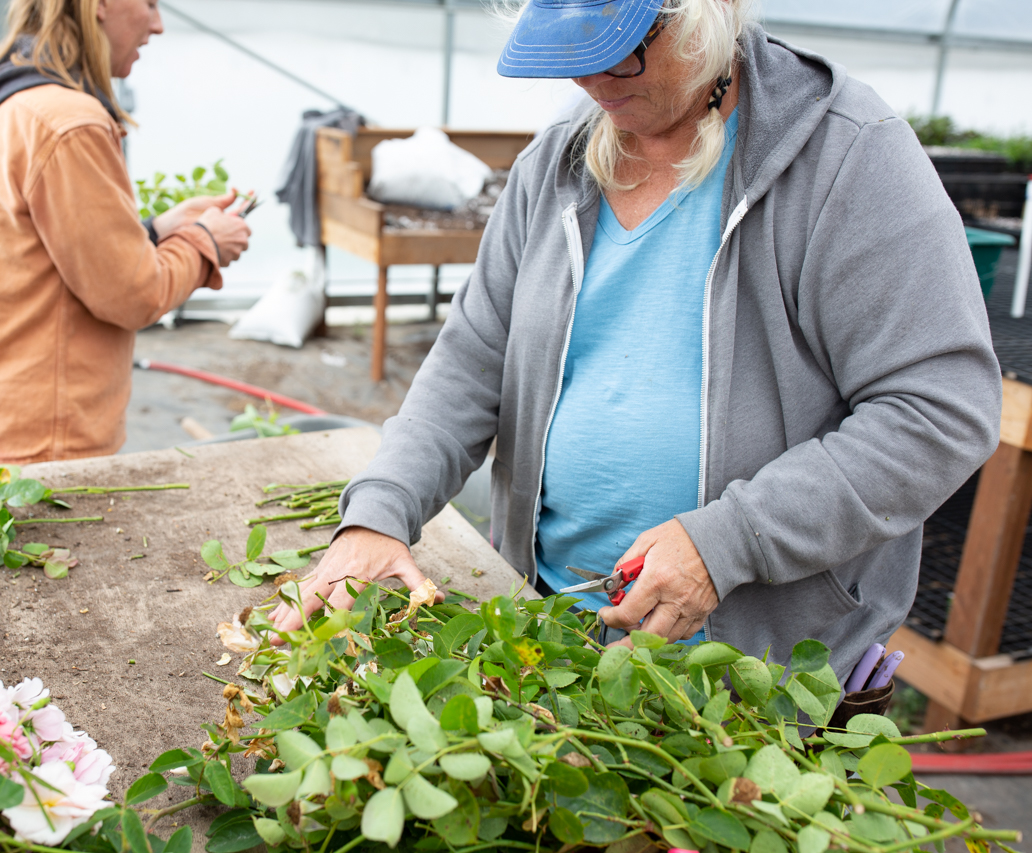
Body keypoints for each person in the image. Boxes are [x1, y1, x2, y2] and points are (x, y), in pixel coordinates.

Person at [271, 0, 1003, 680]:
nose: (591, 79)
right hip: (548, 630)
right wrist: (378, 510)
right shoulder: (559, 159)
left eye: (621, 52)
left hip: (746, 672)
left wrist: (729, 541)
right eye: (571, 51)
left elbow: (938, 410)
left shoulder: (847, 158)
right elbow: (470, 361)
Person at [0, 0, 252, 466]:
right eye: (148, 3)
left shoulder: (14, 98)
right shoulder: (69, 121)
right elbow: (133, 294)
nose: (158, 23)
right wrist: (204, 242)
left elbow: (38, 254)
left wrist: (159, 229)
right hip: (46, 440)